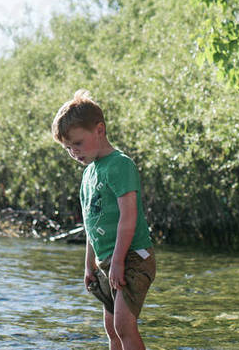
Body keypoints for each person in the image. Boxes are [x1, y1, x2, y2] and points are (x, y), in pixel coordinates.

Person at [52, 90, 155, 350]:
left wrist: (119, 261)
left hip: (133, 256)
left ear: (99, 130)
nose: (73, 152)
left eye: (77, 143)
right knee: (110, 327)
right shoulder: (89, 175)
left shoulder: (120, 165)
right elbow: (91, 226)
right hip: (107, 262)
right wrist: (90, 266)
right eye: (68, 148)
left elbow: (128, 217)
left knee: (123, 325)